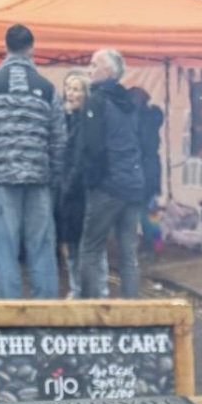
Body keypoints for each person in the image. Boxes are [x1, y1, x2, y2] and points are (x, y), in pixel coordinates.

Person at [0, 22, 65, 299]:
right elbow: (59, 139)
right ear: (32, 49)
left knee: (4, 249)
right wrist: (53, 177)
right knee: (42, 248)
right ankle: (46, 315)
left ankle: (9, 321)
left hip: (0, 179)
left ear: (6, 48)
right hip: (39, 179)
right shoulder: (47, 89)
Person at [77, 47, 146, 300]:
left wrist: (91, 181)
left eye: (93, 65)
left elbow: (91, 147)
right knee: (128, 254)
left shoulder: (96, 101)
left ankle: (91, 316)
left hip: (108, 185)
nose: (89, 69)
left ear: (107, 71)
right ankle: (132, 313)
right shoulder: (130, 102)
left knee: (91, 249)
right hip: (133, 184)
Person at [55, 69, 104, 300]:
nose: (70, 94)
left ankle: (98, 291)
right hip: (68, 192)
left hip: (85, 192)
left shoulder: (90, 120)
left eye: (76, 89)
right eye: (68, 88)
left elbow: (83, 159)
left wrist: (70, 184)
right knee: (72, 243)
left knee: (92, 245)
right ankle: (77, 288)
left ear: (86, 93)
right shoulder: (65, 119)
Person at [128, 83, 165, 252]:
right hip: (152, 166)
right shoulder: (155, 115)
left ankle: (149, 244)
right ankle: (156, 242)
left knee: (142, 210)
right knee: (151, 208)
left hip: (141, 167)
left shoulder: (136, 119)